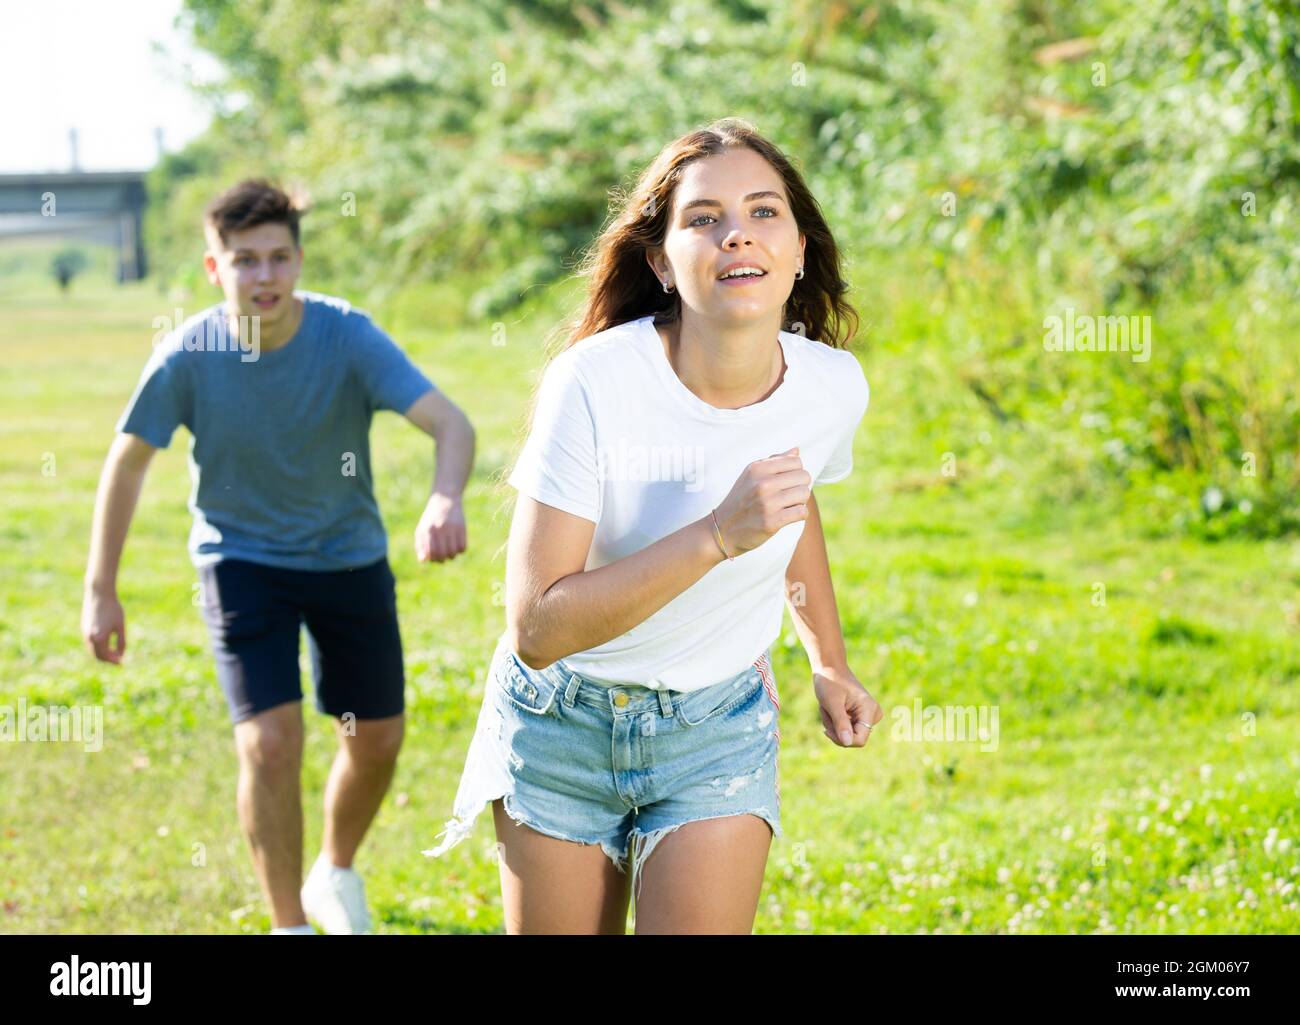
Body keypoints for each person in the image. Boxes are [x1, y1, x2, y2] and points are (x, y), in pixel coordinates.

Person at [425, 117, 880, 934]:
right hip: (562, 721)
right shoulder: (595, 383)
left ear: (802, 248)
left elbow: (790, 504)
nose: (737, 231)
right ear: (663, 262)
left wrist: (829, 660)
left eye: (764, 210)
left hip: (716, 727)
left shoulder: (832, 387)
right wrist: (714, 535)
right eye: (704, 218)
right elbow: (537, 625)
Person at [81, 179, 476, 934]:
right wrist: (101, 588)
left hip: (347, 558)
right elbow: (126, 462)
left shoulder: (347, 335)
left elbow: (450, 423)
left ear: (298, 260)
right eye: (245, 261)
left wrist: (444, 497)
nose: (264, 277)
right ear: (213, 267)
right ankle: (289, 921)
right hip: (242, 560)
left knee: (377, 738)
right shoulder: (189, 354)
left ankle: (336, 868)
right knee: (268, 744)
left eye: (278, 258)